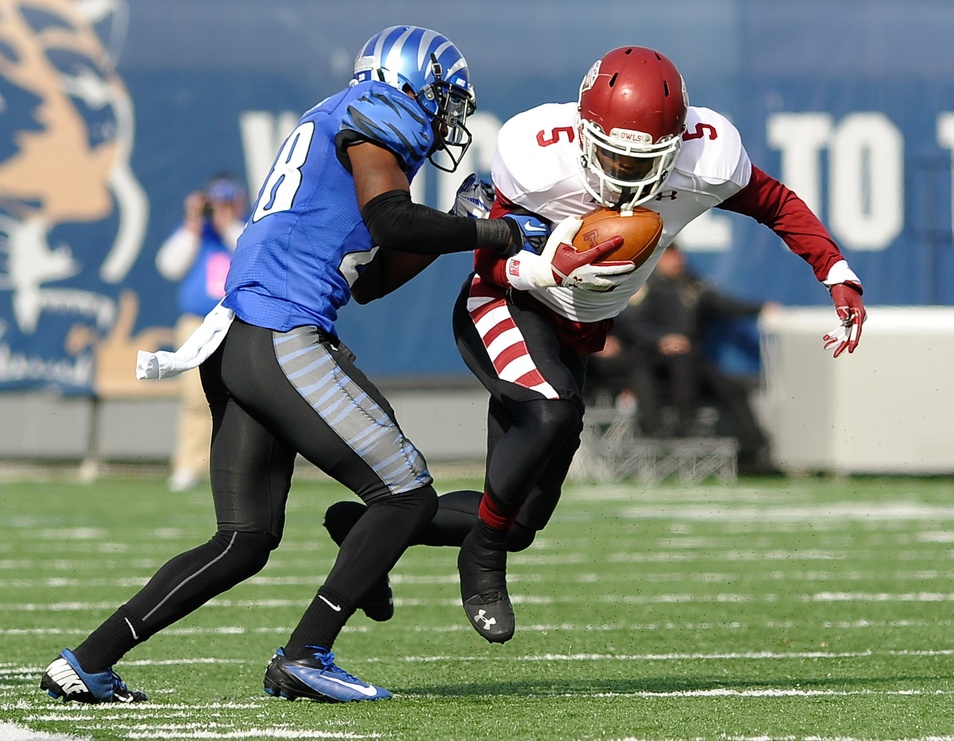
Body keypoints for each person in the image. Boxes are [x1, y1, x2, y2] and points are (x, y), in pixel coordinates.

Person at [38, 25, 621, 706]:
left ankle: (86, 662)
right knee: (405, 492)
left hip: (241, 337)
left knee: (243, 540)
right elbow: (393, 221)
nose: (448, 116)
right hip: (281, 333)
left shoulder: (339, 119)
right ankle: (306, 653)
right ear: (413, 86)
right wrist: (496, 229)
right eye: (445, 99)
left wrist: (455, 224)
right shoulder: (377, 111)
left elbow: (371, 278)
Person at [322, 45, 867, 645]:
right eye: (612, 154)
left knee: (523, 519)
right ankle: (482, 558)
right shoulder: (538, 157)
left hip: (579, 330)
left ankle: (369, 532)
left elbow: (775, 202)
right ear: (583, 132)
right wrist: (545, 270)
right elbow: (491, 263)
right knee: (552, 412)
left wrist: (836, 271)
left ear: (676, 145)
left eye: (643, 161)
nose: (625, 173)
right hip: (508, 302)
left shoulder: (708, 156)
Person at [607, 243, 781, 474]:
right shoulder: (645, 286)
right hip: (655, 359)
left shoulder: (692, 285)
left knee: (732, 389)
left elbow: (724, 305)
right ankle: (684, 425)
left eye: (677, 256)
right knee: (679, 363)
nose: (676, 262)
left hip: (692, 358)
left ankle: (755, 451)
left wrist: (760, 308)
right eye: (669, 257)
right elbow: (632, 323)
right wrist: (661, 340)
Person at [156, 173, 248, 491]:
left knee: (245, 397)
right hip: (197, 324)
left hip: (239, 322)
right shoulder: (196, 235)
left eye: (227, 202)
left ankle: (239, 466)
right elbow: (170, 265)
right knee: (195, 397)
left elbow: (250, 252)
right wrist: (193, 224)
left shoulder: (246, 231)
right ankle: (188, 465)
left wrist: (227, 225)